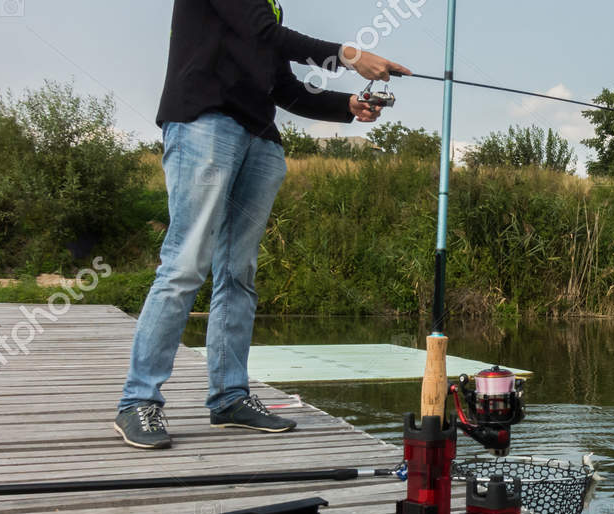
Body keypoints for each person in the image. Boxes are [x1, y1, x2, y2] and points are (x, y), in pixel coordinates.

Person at [115, 0, 408, 449]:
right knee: (185, 266)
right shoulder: (257, 13)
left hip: (260, 140)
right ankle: (139, 401)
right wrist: (350, 56)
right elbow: (265, 34)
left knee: (239, 274)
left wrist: (347, 105)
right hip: (203, 124)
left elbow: (285, 89)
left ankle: (230, 397)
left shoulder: (270, 6)